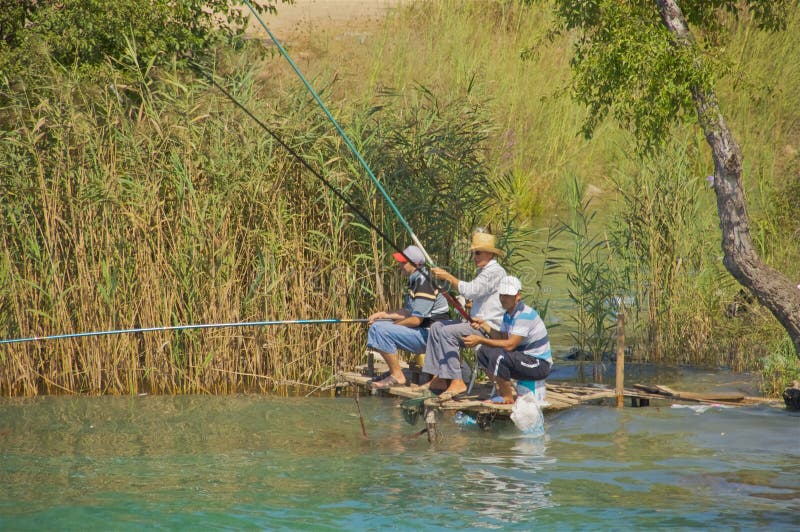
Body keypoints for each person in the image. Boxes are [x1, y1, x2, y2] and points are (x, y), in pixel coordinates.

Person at [421, 231, 507, 399]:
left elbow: (470, 290)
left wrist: (447, 276)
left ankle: (457, 381)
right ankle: (439, 378)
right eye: (473, 253)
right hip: (475, 323)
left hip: (488, 328)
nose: (474, 257)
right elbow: (480, 295)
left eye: (478, 253)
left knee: (447, 332)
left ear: (489, 254)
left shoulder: (494, 272)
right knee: (436, 327)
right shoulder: (486, 271)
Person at [367, 245, 450, 389]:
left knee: (379, 330)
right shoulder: (416, 279)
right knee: (379, 325)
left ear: (415, 264)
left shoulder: (424, 283)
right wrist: (383, 315)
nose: (399, 265)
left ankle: (397, 375)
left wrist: (391, 326)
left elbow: (416, 320)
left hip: (431, 336)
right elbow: (408, 312)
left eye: (403, 262)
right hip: (424, 331)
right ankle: (395, 372)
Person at [464, 275, 553, 404]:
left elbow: (509, 345)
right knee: (483, 351)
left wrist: (480, 340)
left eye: (508, 295)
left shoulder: (524, 315)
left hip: (538, 364)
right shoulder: (508, 314)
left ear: (518, 296)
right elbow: (503, 338)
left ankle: (507, 397)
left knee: (500, 356)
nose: (503, 299)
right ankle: (501, 391)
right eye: (502, 295)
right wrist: (484, 325)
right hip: (523, 359)